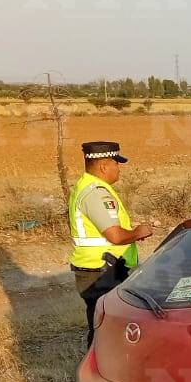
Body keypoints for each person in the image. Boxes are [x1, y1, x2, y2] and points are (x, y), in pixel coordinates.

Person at [69, 141, 153, 346]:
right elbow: (114, 235)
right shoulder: (96, 193)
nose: (119, 168)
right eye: (116, 163)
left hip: (98, 268)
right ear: (103, 166)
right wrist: (138, 232)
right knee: (106, 330)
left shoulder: (86, 186)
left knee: (102, 325)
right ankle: (98, 372)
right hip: (102, 271)